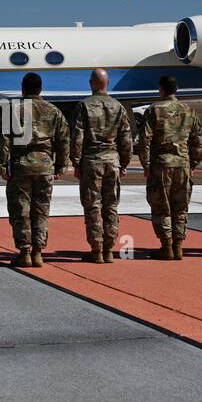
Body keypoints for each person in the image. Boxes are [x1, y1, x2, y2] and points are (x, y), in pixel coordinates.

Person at [0, 72, 69, 267]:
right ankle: (38, 252)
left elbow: (5, 141)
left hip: (22, 166)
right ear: (40, 89)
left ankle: (25, 251)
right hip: (45, 166)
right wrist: (62, 166)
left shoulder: (15, 110)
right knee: (41, 210)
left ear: (23, 88)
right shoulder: (53, 111)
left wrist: (2, 166)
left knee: (21, 210)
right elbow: (63, 141)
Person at [136, 75, 202, 260]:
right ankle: (179, 245)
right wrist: (194, 163)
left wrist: (146, 164)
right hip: (182, 164)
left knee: (161, 207)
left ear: (161, 90)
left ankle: (166, 246)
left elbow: (145, 140)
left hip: (161, 166)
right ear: (176, 89)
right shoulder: (189, 110)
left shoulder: (154, 110)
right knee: (180, 207)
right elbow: (198, 140)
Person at [70, 69, 133, 263]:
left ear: (91, 84)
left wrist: (76, 162)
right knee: (111, 205)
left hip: (92, 160)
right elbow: (126, 138)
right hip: (112, 160)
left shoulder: (84, 106)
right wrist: (124, 162)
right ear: (107, 83)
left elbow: (77, 137)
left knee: (92, 206)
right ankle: (108, 249)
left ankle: (96, 249)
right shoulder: (118, 106)